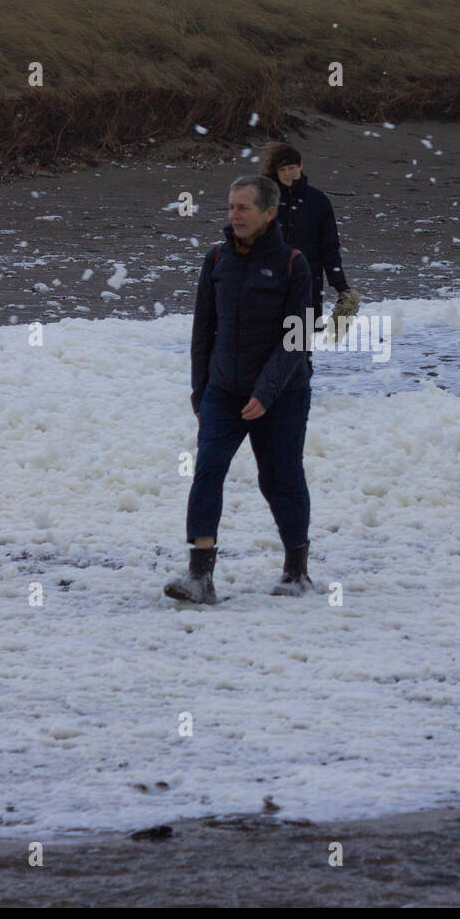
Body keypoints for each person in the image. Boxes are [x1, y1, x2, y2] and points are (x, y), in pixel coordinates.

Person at [164, 175, 317, 605]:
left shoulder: (293, 264)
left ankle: (296, 570)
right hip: (224, 391)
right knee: (207, 472)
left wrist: (266, 392)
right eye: (231, 207)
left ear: (269, 213)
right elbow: (202, 332)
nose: (234, 215)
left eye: (244, 208)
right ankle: (200, 576)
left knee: (280, 478)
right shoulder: (215, 260)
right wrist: (200, 392)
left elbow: (297, 338)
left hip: (281, 394)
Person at [262, 142, 359, 351]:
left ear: (301, 166)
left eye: (292, 167)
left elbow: (329, 246)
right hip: (270, 282)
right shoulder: (265, 201)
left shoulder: (318, 201)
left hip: (307, 281)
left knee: (299, 346)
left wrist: (340, 285)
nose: (289, 173)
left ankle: (298, 381)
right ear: (275, 172)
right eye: (283, 169)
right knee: (270, 341)